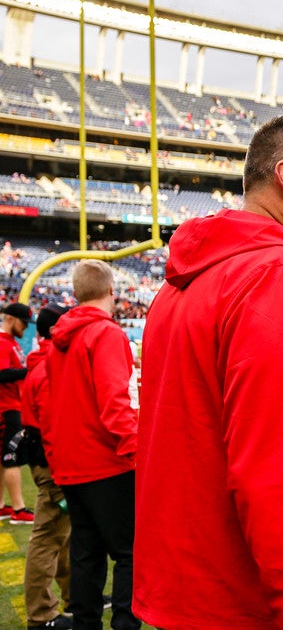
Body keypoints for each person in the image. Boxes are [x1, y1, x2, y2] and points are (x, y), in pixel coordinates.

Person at [136, 114, 283, 629]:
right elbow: (275, 477)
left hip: (184, 587)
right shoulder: (277, 273)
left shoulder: (180, 285)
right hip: (240, 598)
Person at [43, 260, 140, 629]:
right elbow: (114, 404)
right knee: (129, 554)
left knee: (87, 554)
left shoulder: (57, 343)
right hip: (108, 462)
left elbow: (50, 407)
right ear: (112, 292)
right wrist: (137, 452)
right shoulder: (106, 334)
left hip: (72, 465)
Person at [18, 303, 72, 630]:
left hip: (46, 458)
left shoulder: (43, 361)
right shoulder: (51, 367)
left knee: (62, 534)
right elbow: (55, 425)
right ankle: (40, 614)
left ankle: (71, 597)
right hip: (53, 462)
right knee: (49, 536)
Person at [0, 301, 33, 524]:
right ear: (10, 319)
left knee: (4, 460)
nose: (25, 328)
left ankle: (1, 506)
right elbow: (1, 374)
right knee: (11, 459)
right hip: (6, 408)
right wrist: (29, 370)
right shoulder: (3, 343)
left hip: (12, 406)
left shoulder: (11, 343)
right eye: (23, 322)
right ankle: (19, 509)